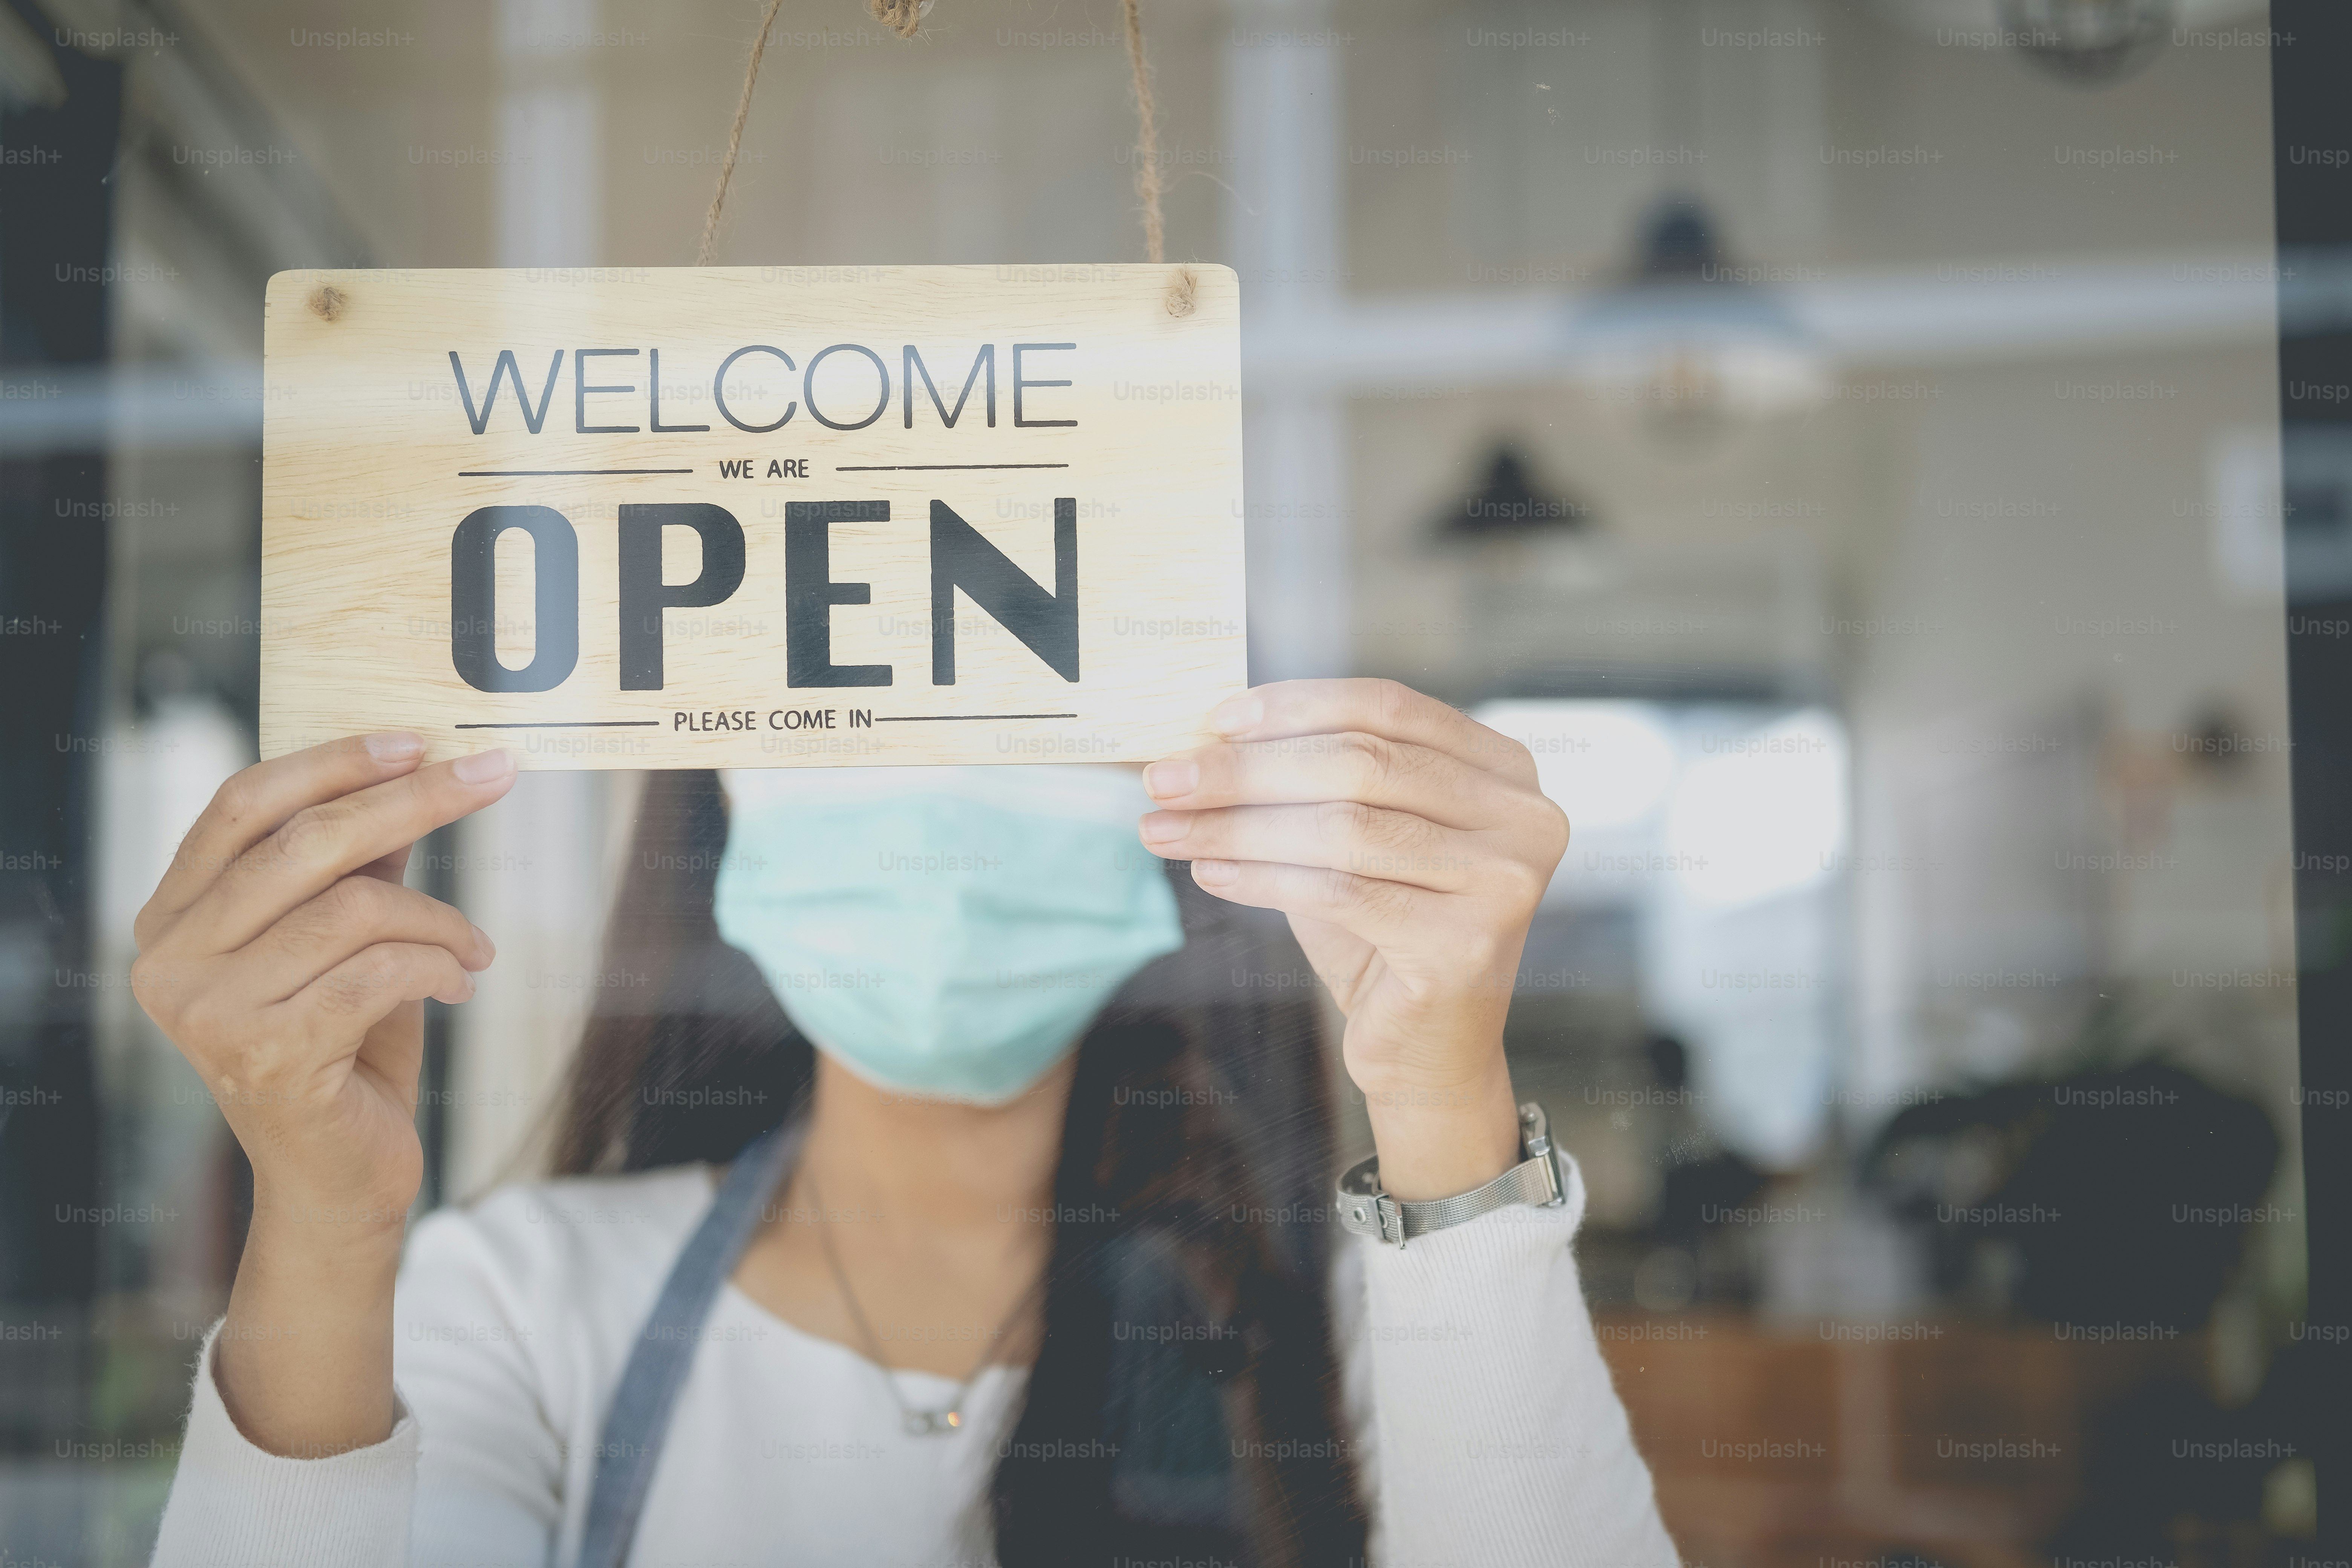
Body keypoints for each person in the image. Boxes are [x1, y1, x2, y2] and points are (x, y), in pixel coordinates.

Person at [136, 678, 1675, 1568]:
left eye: (1029, 702)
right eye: (851, 710)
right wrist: (321, 1219)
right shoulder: (521, 1306)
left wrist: (1442, 1098)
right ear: (718, 785)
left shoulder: (1361, 1330)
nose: (942, 786)